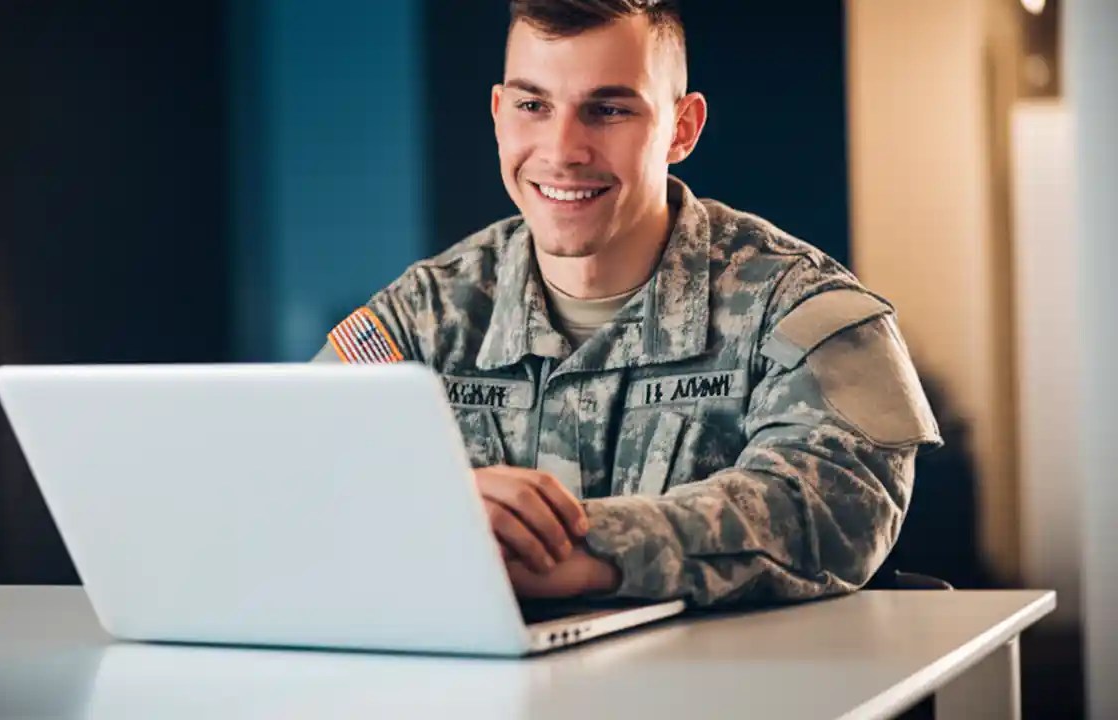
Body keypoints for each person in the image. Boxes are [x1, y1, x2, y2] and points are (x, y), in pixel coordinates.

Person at [315, 0, 941, 605]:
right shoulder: (424, 314)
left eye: (609, 110)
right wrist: (436, 511)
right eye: (534, 105)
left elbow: (833, 507)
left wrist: (568, 553)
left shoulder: (798, 309)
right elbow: (283, 482)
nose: (563, 150)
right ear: (499, 114)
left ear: (682, 129)